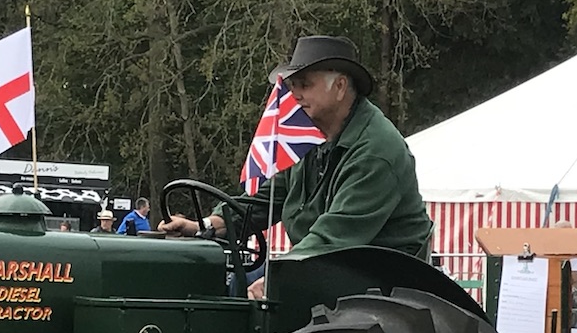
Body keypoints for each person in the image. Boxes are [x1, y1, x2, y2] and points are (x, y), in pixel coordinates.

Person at [156, 36, 432, 299]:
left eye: (305, 85)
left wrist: (280, 276)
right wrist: (204, 226)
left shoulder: (376, 151)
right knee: (235, 280)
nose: (294, 94)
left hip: (382, 280)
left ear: (339, 87)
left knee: (259, 287)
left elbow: (336, 236)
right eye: (292, 85)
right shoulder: (309, 140)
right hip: (331, 266)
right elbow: (265, 201)